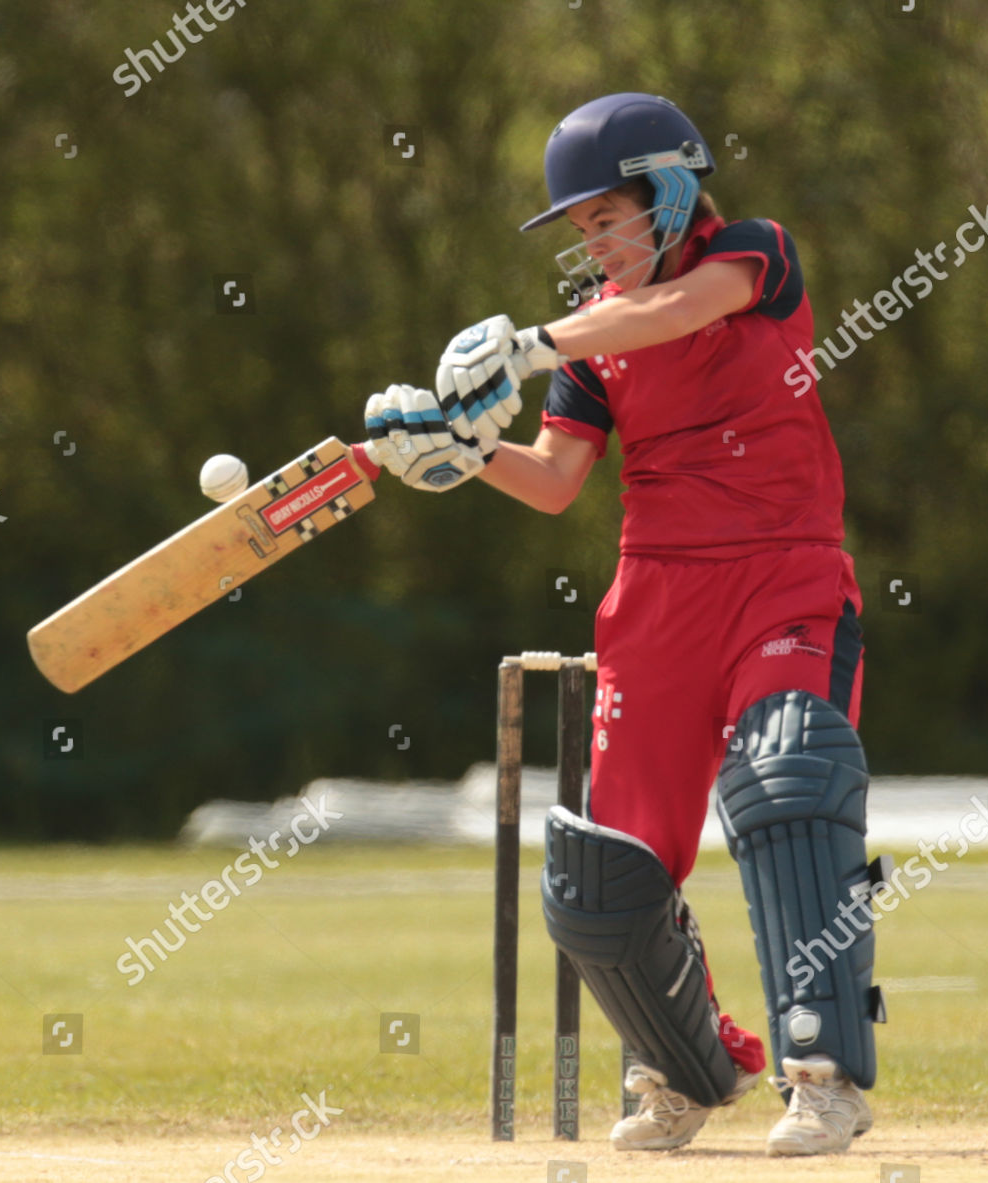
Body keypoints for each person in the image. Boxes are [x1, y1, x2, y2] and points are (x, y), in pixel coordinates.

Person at [361, 92, 886, 1157]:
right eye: (582, 228)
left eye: (607, 217)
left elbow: (679, 312)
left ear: (672, 187)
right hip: (655, 596)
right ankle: (689, 1069)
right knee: (608, 876)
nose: (593, 242)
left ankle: (823, 1076)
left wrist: (527, 344)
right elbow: (556, 481)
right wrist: (456, 456)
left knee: (788, 785)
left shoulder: (751, 255)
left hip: (783, 573)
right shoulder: (593, 338)